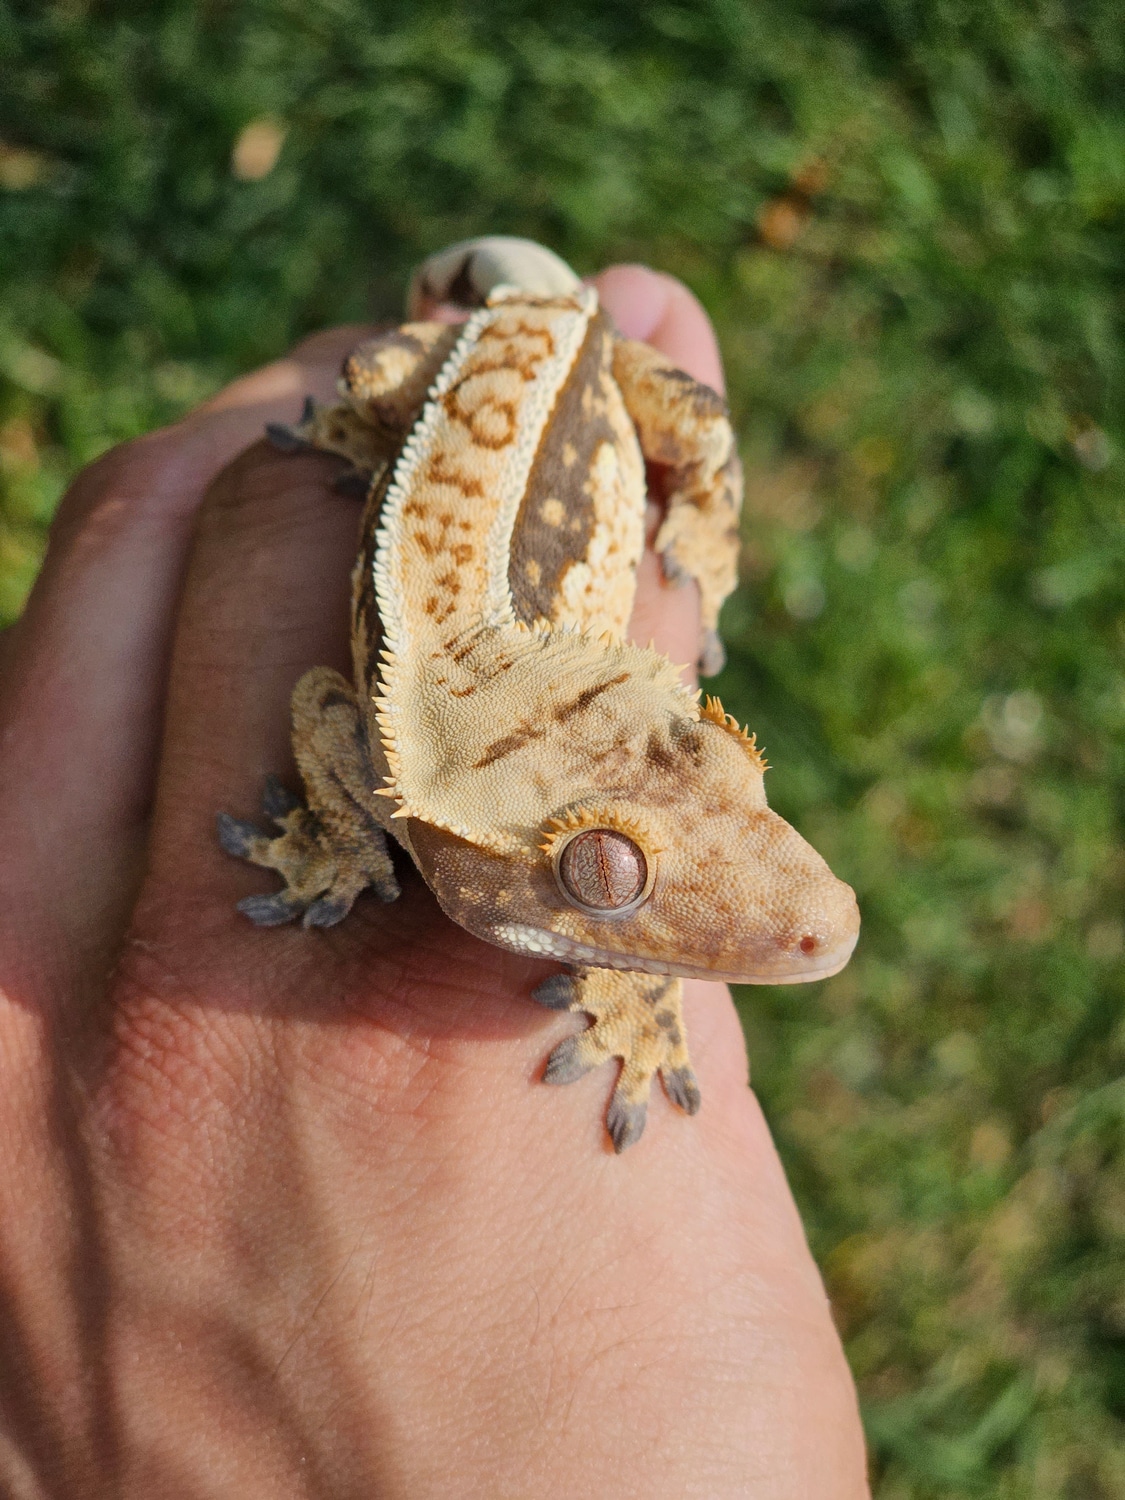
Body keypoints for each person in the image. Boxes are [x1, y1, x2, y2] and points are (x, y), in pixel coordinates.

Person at [0, 262, 869, 1495]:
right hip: (503, 375)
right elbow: (324, 710)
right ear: (447, 828)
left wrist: (700, 511)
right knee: (368, 383)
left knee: (690, 425)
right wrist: (341, 839)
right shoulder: (396, 759)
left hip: (564, 373)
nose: (819, 917)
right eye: (604, 876)